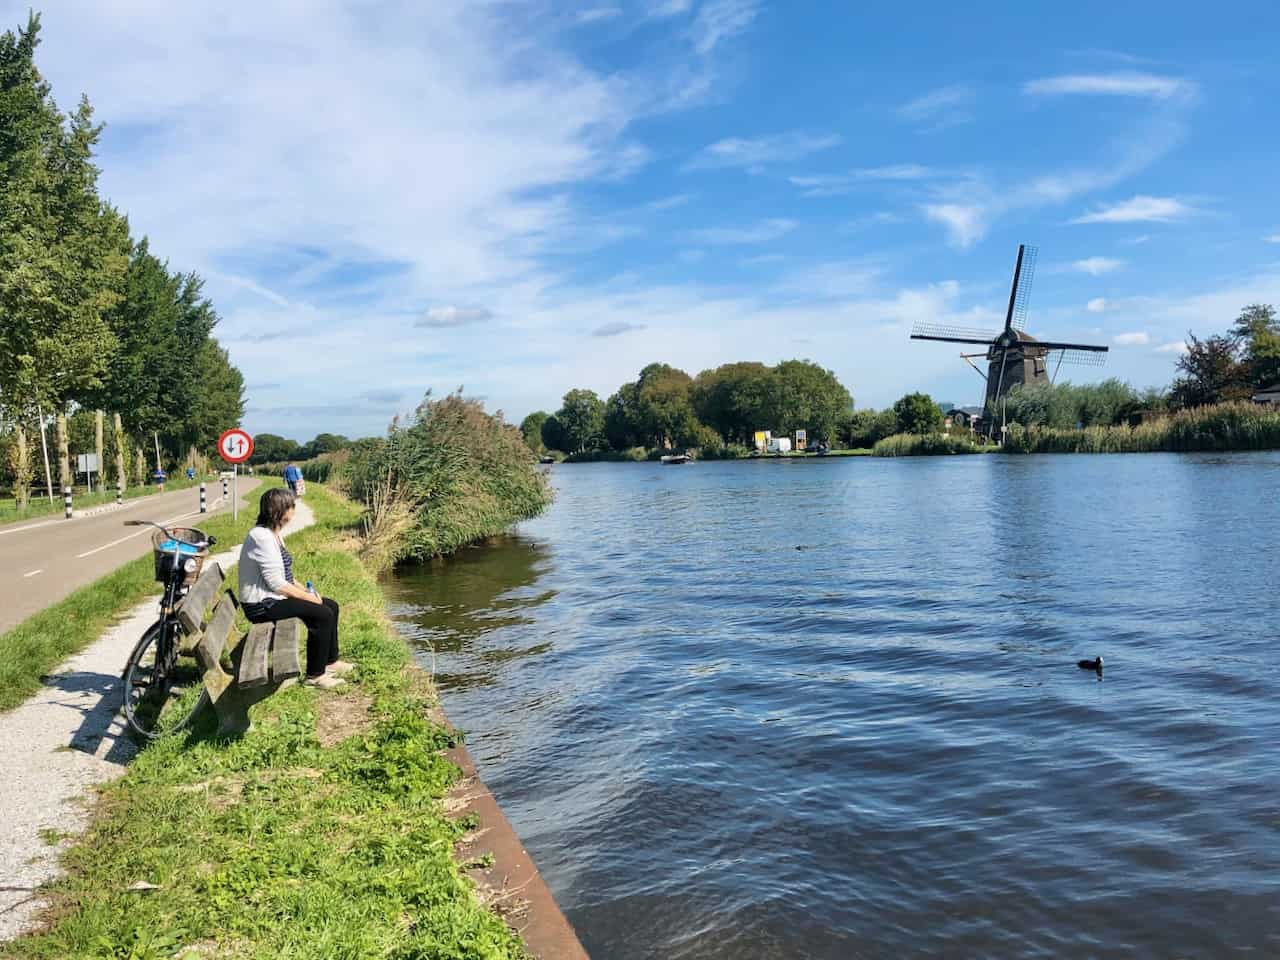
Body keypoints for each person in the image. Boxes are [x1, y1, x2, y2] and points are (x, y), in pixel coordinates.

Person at [238, 487, 351, 688]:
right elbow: (277, 584)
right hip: (262, 605)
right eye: (291, 506)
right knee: (322, 614)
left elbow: (286, 575)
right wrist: (308, 599)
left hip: (272, 599)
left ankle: (331, 662)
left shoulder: (273, 534)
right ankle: (314, 676)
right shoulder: (261, 537)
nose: (293, 511)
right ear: (280, 510)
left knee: (331, 605)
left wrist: (306, 592)